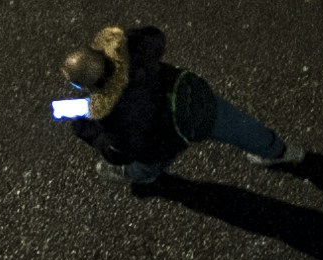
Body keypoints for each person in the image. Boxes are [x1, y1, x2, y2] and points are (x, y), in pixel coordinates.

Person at [56, 23, 308, 190]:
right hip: (190, 100)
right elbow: (155, 37)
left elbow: (121, 151)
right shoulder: (130, 51)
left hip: (167, 136)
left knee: (146, 163)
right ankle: (277, 151)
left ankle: (143, 176)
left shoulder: (112, 113)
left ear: (85, 86)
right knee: (237, 126)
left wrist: (87, 132)